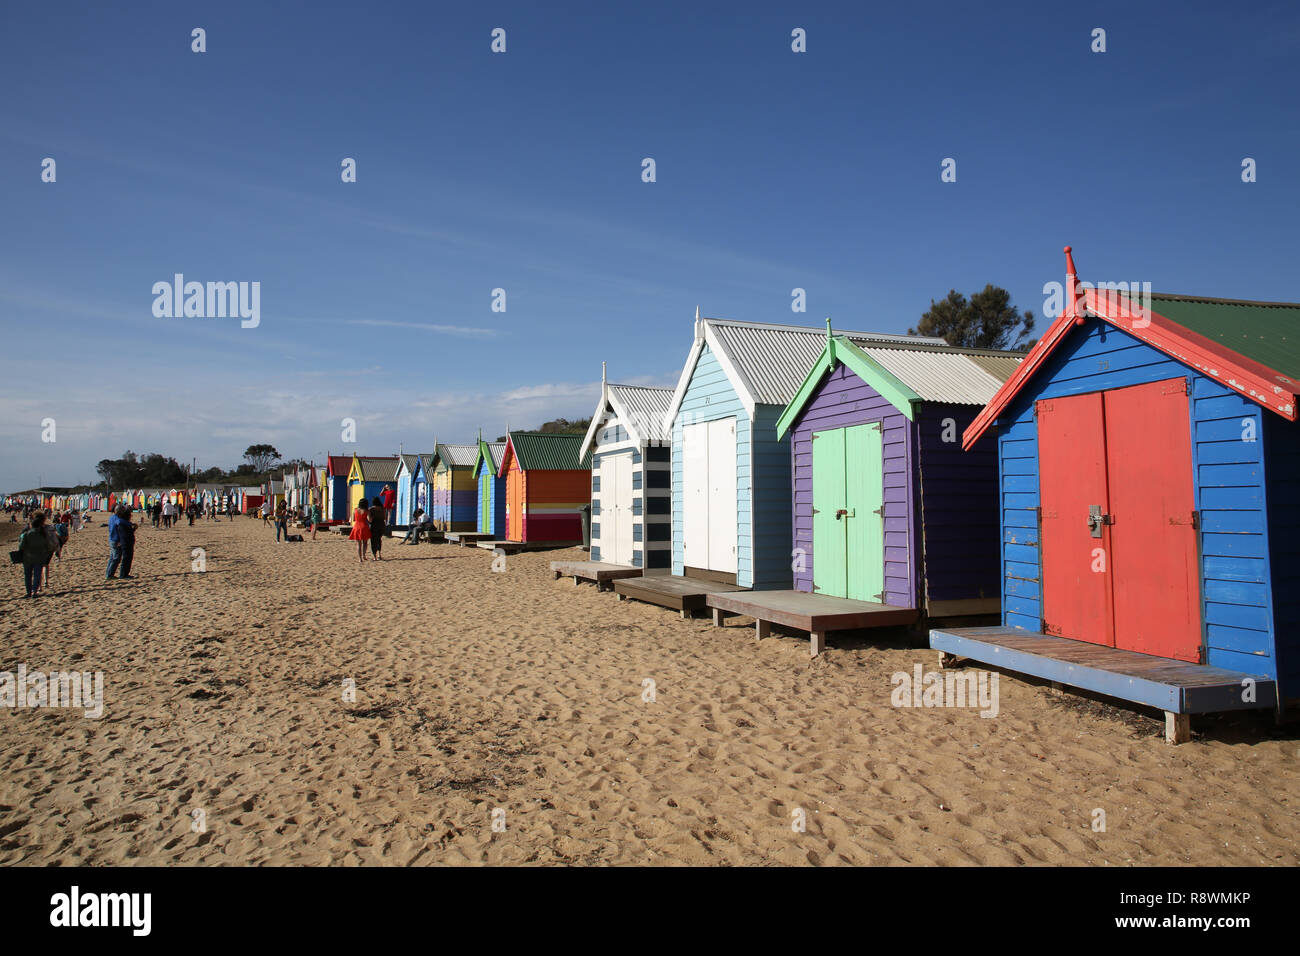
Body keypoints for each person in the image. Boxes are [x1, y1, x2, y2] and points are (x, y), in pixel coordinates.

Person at [17, 511, 54, 598]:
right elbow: (49, 546)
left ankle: (28, 592)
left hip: (27, 558)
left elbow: (21, 546)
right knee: (37, 574)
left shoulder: (26, 534)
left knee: (28, 575)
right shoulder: (43, 534)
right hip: (39, 557)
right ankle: (35, 592)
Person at [107, 504, 136, 580]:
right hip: (115, 539)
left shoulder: (112, 517)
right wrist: (130, 524)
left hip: (112, 539)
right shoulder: (116, 518)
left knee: (112, 557)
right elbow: (120, 522)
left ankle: (109, 573)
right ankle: (109, 574)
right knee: (116, 558)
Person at [349, 497, 371, 563]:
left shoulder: (355, 510)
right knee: (365, 543)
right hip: (364, 527)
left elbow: (353, 519)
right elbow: (369, 520)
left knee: (358, 544)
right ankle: (364, 555)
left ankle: (360, 558)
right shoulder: (366, 511)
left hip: (356, 527)